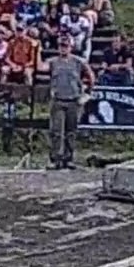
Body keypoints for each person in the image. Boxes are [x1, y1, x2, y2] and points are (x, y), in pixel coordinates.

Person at [41, 39, 94, 170]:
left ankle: (68, 158)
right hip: (58, 99)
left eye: (65, 46)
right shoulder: (53, 61)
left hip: (74, 100)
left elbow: (91, 75)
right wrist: (37, 50)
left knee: (71, 131)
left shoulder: (78, 61)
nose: (63, 48)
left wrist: (88, 91)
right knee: (56, 131)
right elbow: (40, 67)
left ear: (71, 47)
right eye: (61, 46)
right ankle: (55, 159)